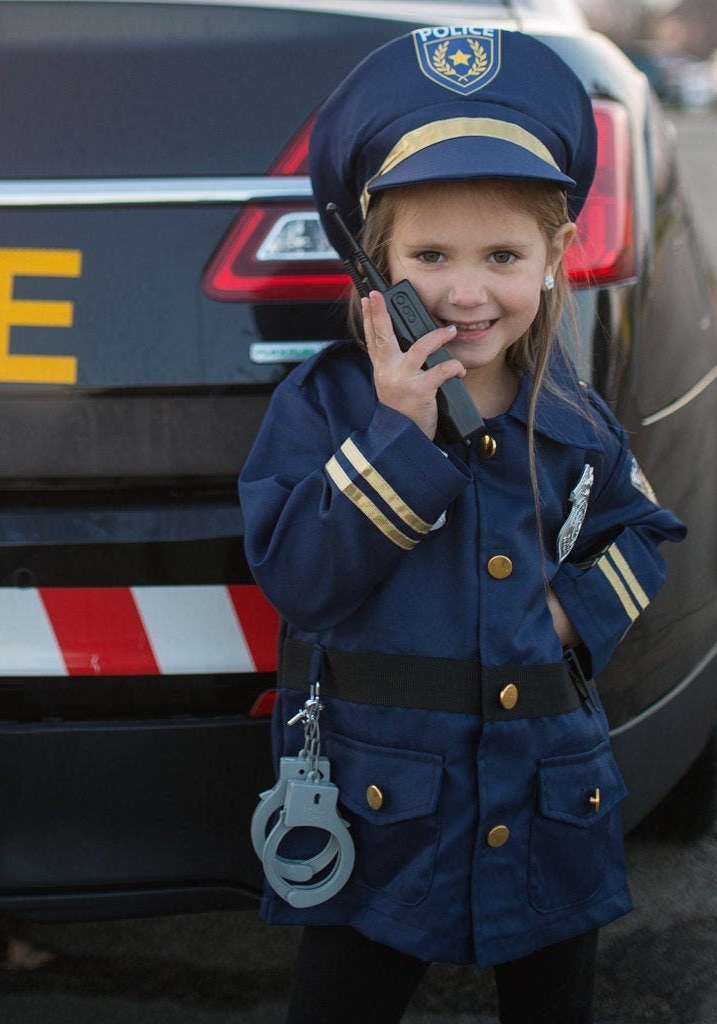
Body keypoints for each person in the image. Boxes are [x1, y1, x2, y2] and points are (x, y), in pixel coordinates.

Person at [239, 27, 687, 1024]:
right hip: (383, 801)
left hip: (549, 794)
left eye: (502, 254)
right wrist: (401, 435)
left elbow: (643, 532)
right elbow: (300, 582)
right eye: (430, 254)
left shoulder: (572, 418)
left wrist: (568, 622)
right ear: (374, 261)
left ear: (554, 255)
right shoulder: (321, 410)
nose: (467, 289)